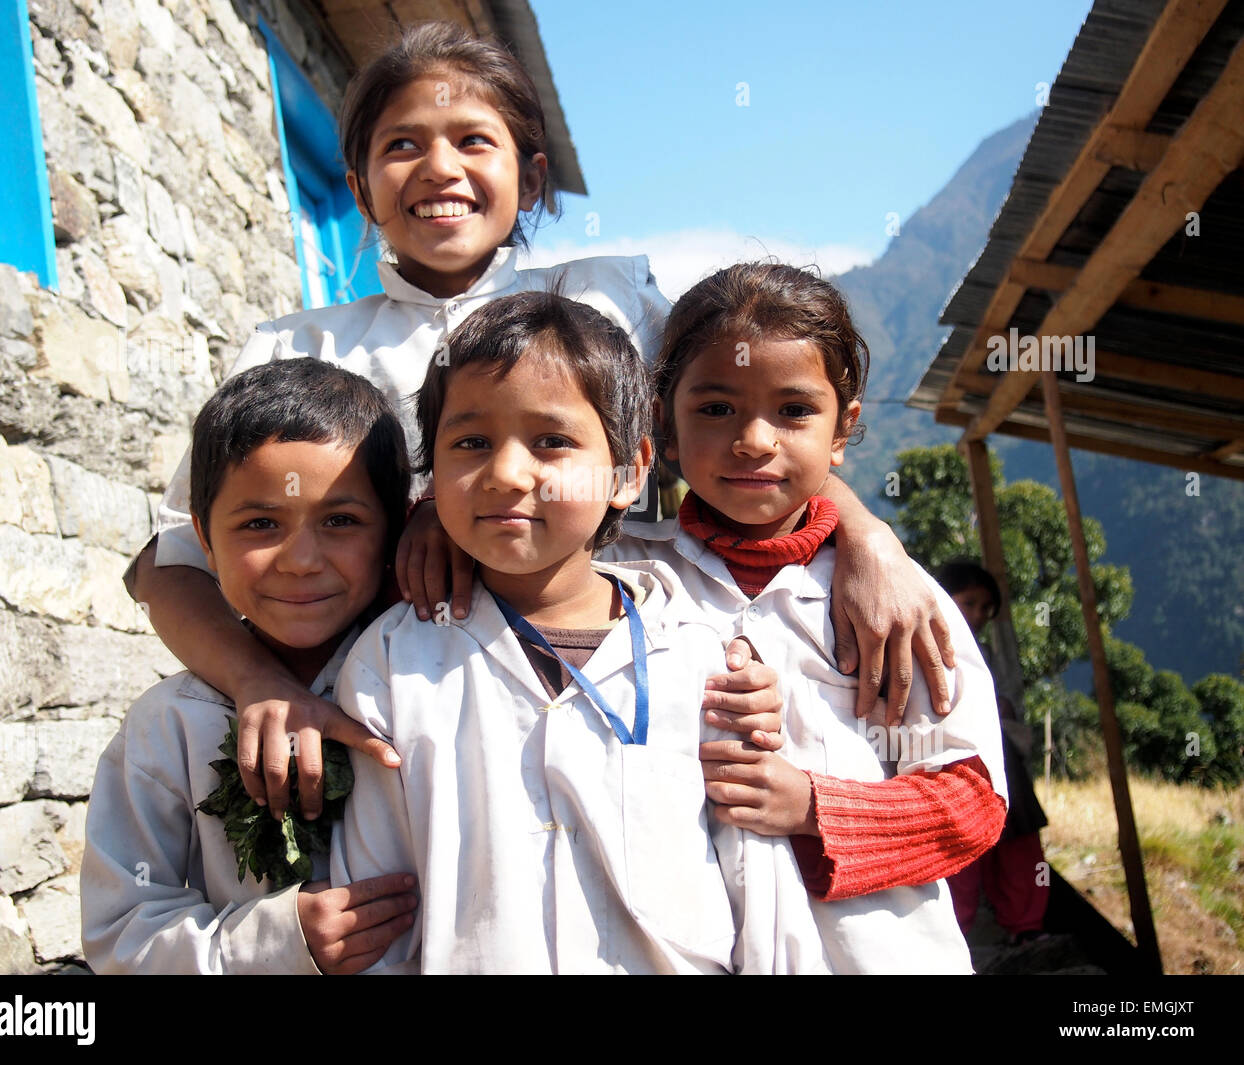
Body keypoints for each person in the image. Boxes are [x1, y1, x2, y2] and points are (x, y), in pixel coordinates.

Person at [127, 20, 957, 826]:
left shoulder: (608, 302)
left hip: (635, 692)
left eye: (472, 140)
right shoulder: (300, 346)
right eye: (402, 144)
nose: (438, 167)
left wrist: (867, 538)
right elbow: (171, 562)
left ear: (530, 177)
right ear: (357, 185)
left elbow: (743, 434)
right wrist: (261, 685)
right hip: (409, 713)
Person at [329, 290, 809, 972]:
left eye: (550, 440)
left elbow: (757, 888)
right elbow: (377, 906)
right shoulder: (391, 664)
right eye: (470, 442)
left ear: (629, 471)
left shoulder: (701, 657)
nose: (504, 473)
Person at [600, 263, 1009, 972]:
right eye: (716, 408)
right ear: (663, 424)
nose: (755, 440)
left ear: (844, 429)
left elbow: (971, 801)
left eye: (794, 410)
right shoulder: (616, 573)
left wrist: (811, 805)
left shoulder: (898, 601)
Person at [81, 360, 418, 974]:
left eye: (340, 521)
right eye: (260, 524)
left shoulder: (433, 688)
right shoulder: (170, 726)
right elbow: (119, 934)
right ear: (203, 542)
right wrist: (270, 945)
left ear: (395, 530)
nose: (301, 560)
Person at [937, 560, 1050, 944]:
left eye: (985, 608)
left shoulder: (984, 651)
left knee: (1017, 844)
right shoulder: (925, 640)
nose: (979, 615)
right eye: (969, 603)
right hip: (947, 762)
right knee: (960, 850)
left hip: (1000, 762)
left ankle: (1026, 924)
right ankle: (955, 934)